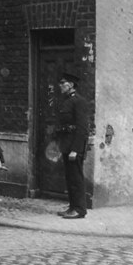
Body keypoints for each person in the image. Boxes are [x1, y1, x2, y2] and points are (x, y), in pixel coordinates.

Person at [56, 71, 91, 219]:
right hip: (66, 144)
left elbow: (82, 128)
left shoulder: (79, 101)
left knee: (76, 178)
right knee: (70, 178)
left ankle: (80, 209)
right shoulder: (66, 100)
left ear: (70, 85)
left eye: (62, 83)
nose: (60, 86)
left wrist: (75, 150)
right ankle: (72, 207)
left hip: (74, 147)